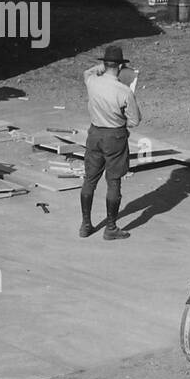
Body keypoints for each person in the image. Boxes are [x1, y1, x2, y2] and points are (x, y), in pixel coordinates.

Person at [80, 45, 142, 240]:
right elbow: (134, 121)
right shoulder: (124, 92)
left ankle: (86, 225)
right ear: (121, 66)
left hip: (95, 133)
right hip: (115, 136)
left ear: (104, 63)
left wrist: (102, 67)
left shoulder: (92, 82)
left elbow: (87, 72)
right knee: (113, 182)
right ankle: (111, 227)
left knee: (89, 179)